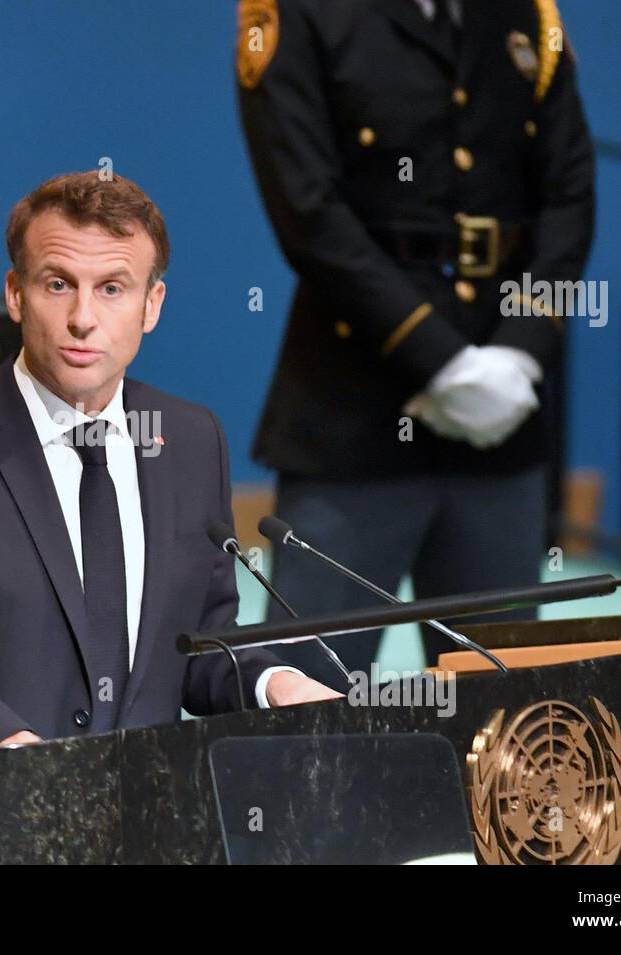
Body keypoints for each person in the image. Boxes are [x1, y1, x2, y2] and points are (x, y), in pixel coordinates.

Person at [0, 171, 339, 749]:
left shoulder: (188, 439)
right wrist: (20, 759)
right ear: (16, 293)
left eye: (113, 288)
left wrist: (276, 684)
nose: (83, 318)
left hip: (154, 816)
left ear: (152, 304)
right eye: (59, 284)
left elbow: (199, 642)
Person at [236, 0, 595, 682]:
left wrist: (520, 349)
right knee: (309, 708)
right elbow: (308, 211)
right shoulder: (297, 12)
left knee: (505, 716)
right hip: (355, 411)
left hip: (503, 416)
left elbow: (570, 196)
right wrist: (443, 360)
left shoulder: (526, 12)